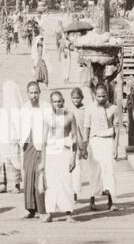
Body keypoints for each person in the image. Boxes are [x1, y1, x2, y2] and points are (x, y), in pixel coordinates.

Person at [83, 83, 120, 211]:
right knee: (94, 171)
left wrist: (115, 147)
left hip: (108, 141)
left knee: (108, 171)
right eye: (98, 96)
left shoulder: (113, 108)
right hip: (94, 142)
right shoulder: (89, 109)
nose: (101, 98)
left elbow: (117, 129)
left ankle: (111, 201)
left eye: (103, 96)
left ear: (107, 95)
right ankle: (92, 200)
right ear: (95, 95)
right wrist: (85, 145)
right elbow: (86, 128)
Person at [43, 90, 78, 222]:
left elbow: (74, 137)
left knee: (65, 182)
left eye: (59, 101)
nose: (57, 104)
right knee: (51, 182)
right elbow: (44, 139)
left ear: (63, 101)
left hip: (65, 150)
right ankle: (50, 212)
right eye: (54, 101)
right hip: (51, 151)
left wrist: (73, 157)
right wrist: (42, 160)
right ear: (51, 102)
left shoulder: (69, 115)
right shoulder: (47, 117)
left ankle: (68, 213)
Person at [19, 80, 49, 219]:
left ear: (40, 93)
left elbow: (51, 127)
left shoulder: (46, 107)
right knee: (28, 175)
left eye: (36, 92)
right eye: (31, 92)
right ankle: (30, 208)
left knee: (40, 176)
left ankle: (42, 209)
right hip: (27, 144)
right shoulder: (24, 108)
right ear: (27, 93)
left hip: (41, 145)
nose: (34, 95)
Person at [0, 79, 23, 194]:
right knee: (3, 160)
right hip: (3, 138)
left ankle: (16, 184)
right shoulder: (4, 107)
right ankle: (3, 183)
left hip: (13, 138)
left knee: (14, 159)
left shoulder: (18, 109)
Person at [68, 87, 89, 200]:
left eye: (78, 98)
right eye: (74, 98)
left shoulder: (85, 110)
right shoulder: (68, 110)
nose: (76, 100)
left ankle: (92, 198)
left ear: (82, 98)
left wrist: (84, 144)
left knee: (85, 170)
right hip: (72, 142)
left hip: (83, 141)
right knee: (74, 169)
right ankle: (74, 194)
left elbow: (86, 128)